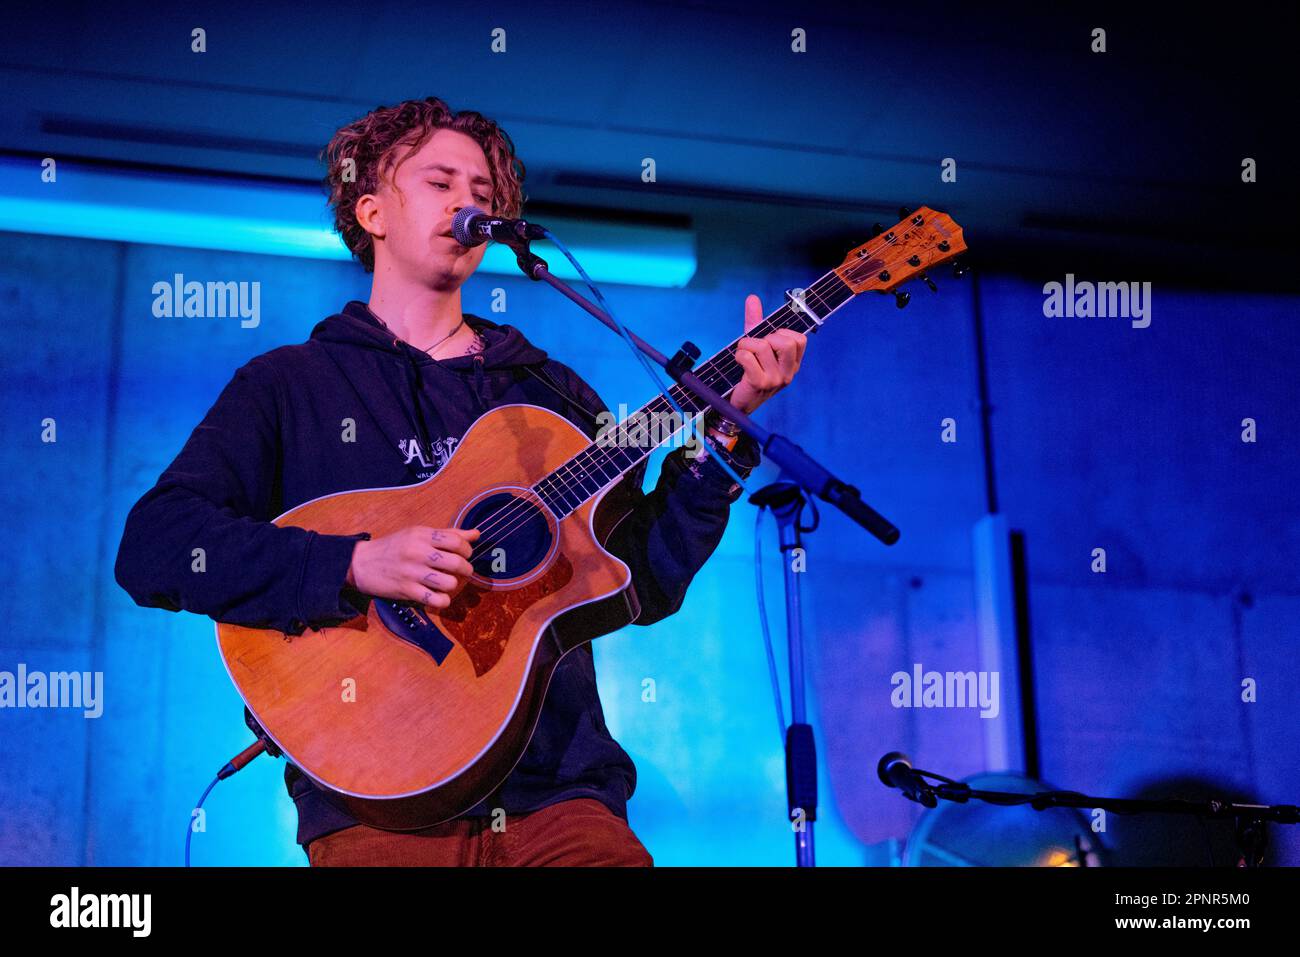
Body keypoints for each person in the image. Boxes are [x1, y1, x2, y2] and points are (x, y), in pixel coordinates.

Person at [114, 96, 806, 866]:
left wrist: (726, 427)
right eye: (441, 182)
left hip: (563, 794)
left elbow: (639, 584)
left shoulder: (550, 395)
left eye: (484, 194)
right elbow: (156, 545)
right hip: (377, 805)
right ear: (371, 209)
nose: (469, 204)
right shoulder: (290, 386)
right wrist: (352, 563)